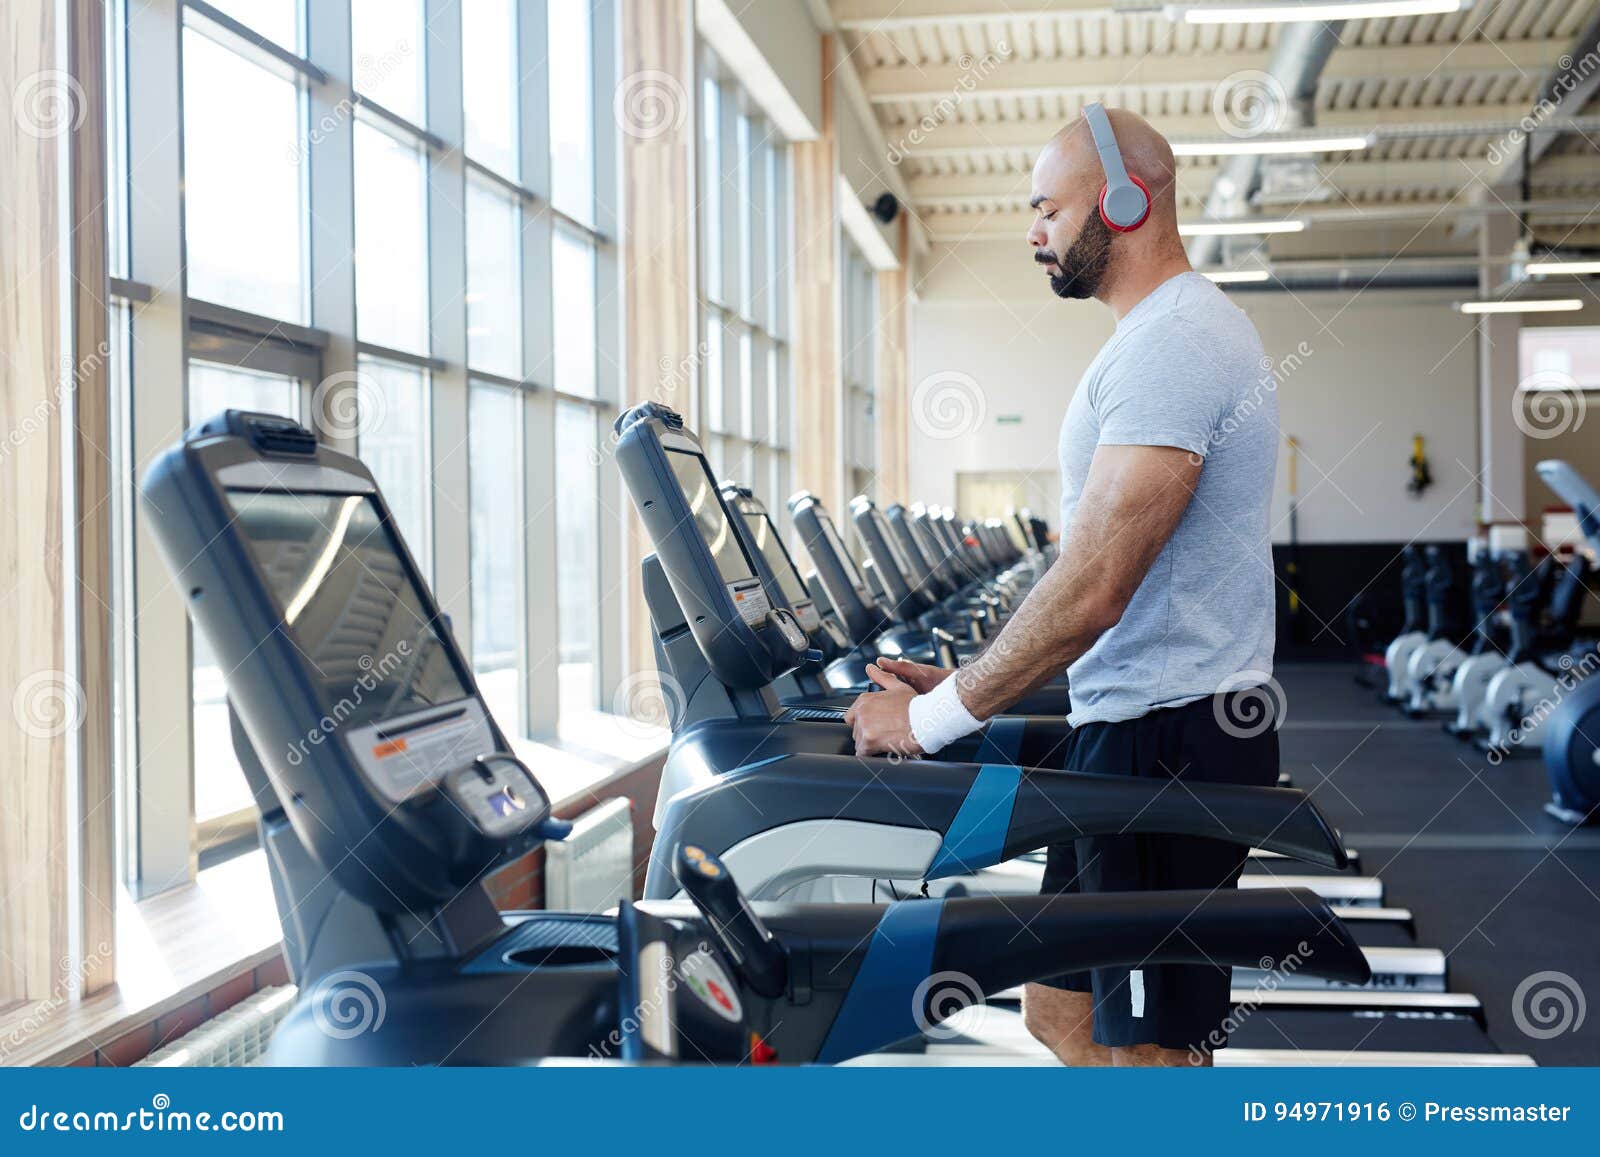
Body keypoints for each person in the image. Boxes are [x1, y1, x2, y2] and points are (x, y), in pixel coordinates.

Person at [844, 105, 1281, 1068]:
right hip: (1132, 728)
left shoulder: (1178, 342)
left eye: (1046, 208)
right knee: (1062, 1011)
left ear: (1123, 202)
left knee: (1152, 1053)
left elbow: (1095, 587)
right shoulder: (1151, 339)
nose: (1032, 233)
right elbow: (1092, 576)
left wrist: (931, 723)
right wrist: (966, 678)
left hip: (1171, 744)